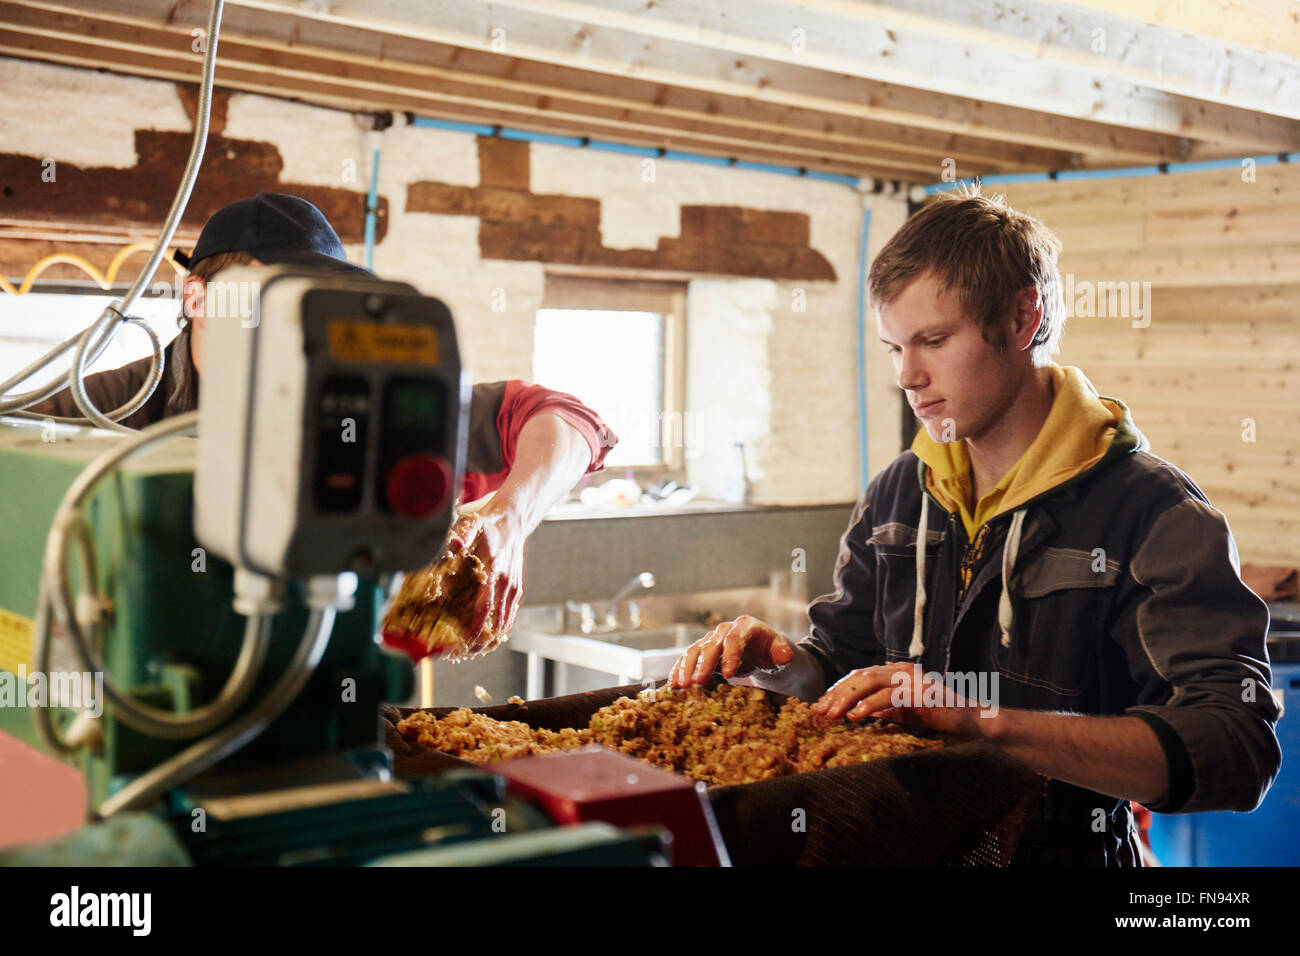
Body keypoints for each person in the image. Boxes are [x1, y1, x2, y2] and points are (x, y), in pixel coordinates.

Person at [670, 186, 1281, 865]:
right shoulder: (899, 493)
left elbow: (1234, 746)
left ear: (1023, 318)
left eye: (934, 339)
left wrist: (981, 722)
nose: (907, 375)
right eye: (895, 347)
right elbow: (840, 665)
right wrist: (782, 668)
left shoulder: (1152, 512)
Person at [30, 192, 617, 645]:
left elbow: (566, 419)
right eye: (275, 295)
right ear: (199, 298)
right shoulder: (98, 408)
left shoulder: (356, 401)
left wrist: (512, 518)